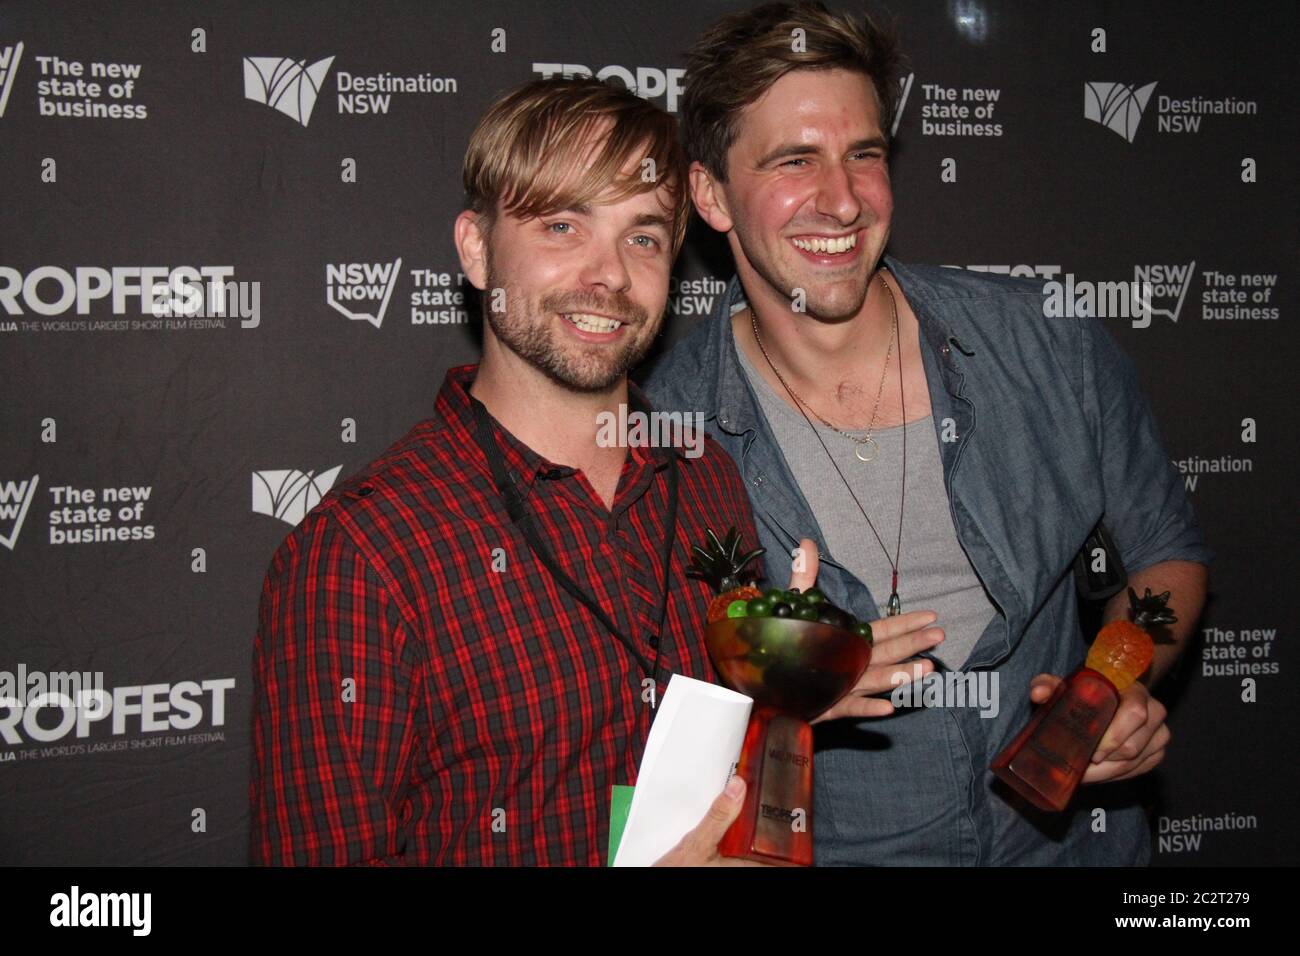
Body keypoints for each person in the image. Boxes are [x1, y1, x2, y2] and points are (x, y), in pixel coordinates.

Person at [248, 76, 923, 866]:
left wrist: (782, 685)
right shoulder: (360, 556)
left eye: (641, 237)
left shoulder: (705, 476)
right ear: (476, 248)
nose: (607, 276)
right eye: (563, 226)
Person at [645, 1, 1212, 866]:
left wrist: (1109, 688)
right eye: (796, 160)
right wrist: (779, 700)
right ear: (711, 195)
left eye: (863, 155)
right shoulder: (665, 431)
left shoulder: (1047, 342)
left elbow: (1165, 553)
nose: (842, 200)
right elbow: (647, 703)